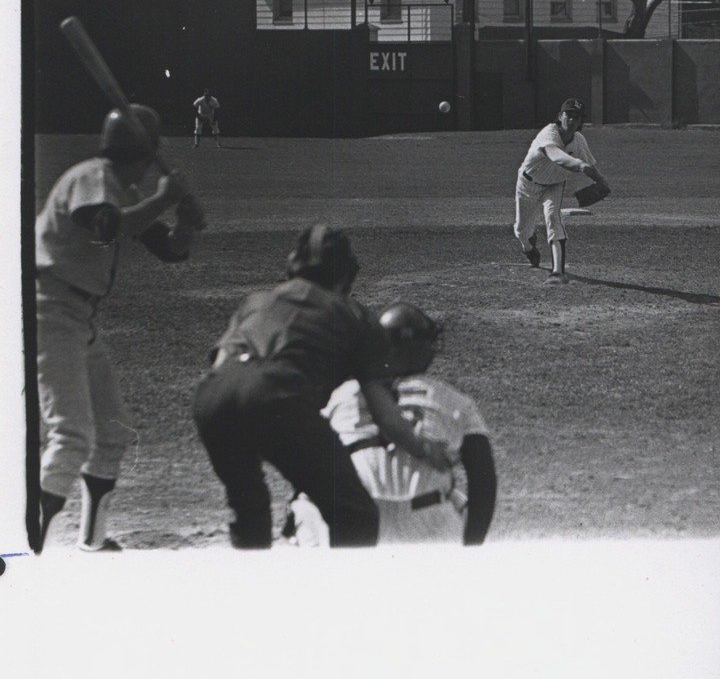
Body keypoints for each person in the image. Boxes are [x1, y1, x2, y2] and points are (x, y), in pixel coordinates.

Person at [192, 225, 452, 549]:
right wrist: (425, 449)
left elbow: (220, 363)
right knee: (355, 515)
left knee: (249, 510)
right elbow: (384, 415)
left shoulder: (256, 301)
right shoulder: (355, 315)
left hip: (212, 396)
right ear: (347, 274)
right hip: (276, 394)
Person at [32, 105, 199, 554]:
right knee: (72, 435)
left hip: (76, 317)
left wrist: (184, 225)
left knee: (111, 434)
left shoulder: (117, 189)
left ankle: (92, 539)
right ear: (145, 154)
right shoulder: (94, 175)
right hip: (48, 310)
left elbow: (166, 250)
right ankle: (29, 551)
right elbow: (105, 231)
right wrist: (165, 199)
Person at [285, 302, 497, 547]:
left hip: (354, 518)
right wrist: (472, 545)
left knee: (306, 500)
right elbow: (484, 478)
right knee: (456, 500)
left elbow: (306, 460)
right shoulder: (454, 400)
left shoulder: (342, 395)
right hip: (428, 519)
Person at [513, 97, 610, 285]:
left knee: (552, 217)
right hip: (528, 184)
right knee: (521, 230)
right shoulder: (548, 134)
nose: (572, 120)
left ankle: (557, 272)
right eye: (569, 115)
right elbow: (556, 156)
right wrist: (579, 165)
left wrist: (602, 181)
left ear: (582, 122)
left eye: (577, 117)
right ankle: (528, 246)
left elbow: (590, 165)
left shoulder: (579, 141)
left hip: (555, 184)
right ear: (560, 116)